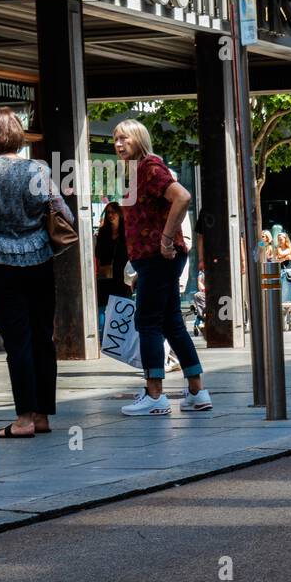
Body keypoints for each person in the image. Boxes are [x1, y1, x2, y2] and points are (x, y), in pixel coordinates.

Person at [0, 108, 73, 439]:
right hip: (39, 261)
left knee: (17, 341)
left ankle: (22, 418)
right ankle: (41, 415)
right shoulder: (37, 168)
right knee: (43, 338)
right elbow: (62, 212)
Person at [113, 119, 212, 415]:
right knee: (171, 322)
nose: (118, 144)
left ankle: (155, 394)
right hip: (152, 260)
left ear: (139, 140)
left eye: (125, 139)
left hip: (159, 257)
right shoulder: (135, 171)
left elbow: (182, 196)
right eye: (116, 139)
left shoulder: (149, 167)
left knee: (147, 322)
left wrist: (166, 239)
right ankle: (197, 390)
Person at [96, 201, 130, 333]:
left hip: (122, 274)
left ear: (119, 214)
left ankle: (119, 333)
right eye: (108, 212)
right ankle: (103, 334)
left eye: (113, 212)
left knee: (122, 304)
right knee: (103, 305)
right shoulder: (103, 232)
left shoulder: (125, 232)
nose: (110, 215)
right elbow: (98, 253)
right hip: (106, 274)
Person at [275, 231, 291, 305]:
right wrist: (284, 258)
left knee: (286, 295)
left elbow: (281, 254)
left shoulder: (290, 248)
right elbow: (276, 259)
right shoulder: (278, 248)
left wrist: (281, 257)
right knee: (279, 294)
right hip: (279, 272)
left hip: (287, 273)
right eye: (278, 240)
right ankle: (284, 312)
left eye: (281, 239)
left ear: (285, 239)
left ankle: (287, 312)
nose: (279, 241)